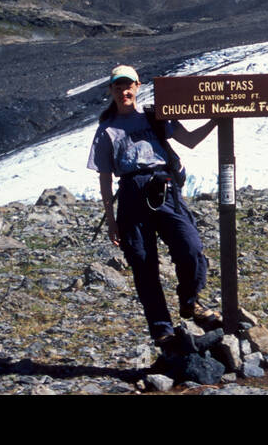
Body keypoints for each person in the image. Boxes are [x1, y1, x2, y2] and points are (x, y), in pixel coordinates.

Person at [86, 64, 221, 346]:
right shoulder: (105, 130)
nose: (124, 91)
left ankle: (190, 302)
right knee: (143, 264)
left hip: (165, 188)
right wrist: (111, 220)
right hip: (131, 196)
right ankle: (162, 328)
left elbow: (190, 140)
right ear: (111, 90)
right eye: (118, 86)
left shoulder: (155, 116)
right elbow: (105, 177)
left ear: (137, 86)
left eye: (129, 85)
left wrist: (219, 119)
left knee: (191, 247)